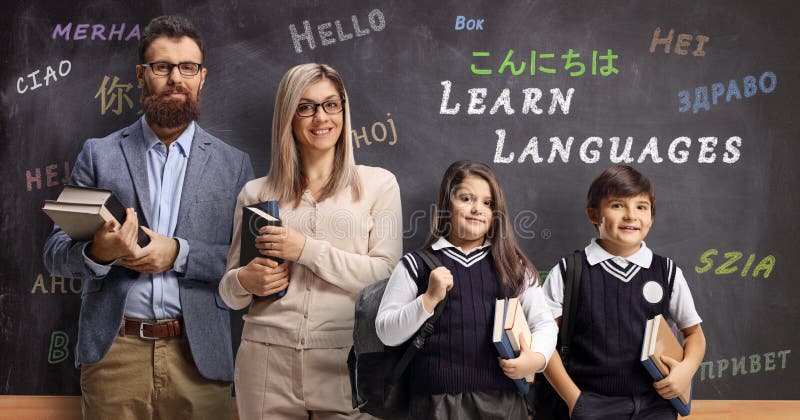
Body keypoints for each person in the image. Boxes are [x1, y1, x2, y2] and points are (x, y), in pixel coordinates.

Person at [42, 15, 254, 420]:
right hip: (114, 357)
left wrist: (178, 253)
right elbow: (54, 252)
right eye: (162, 66)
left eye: (187, 67)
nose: (176, 78)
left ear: (202, 77)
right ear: (141, 75)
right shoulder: (99, 154)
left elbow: (244, 262)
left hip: (200, 358)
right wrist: (99, 253)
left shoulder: (233, 165)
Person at [218, 63, 403, 419]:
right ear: (289, 115)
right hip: (265, 360)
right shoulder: (256, 192)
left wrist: (305, 250)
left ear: (343, 111)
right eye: (306, 106)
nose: (321, 117)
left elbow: (386, 277)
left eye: (331, 104)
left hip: (345, 361)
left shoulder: (379, 185)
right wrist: (245, 280)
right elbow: (229, 293)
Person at [375, 160, 558, 420]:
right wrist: (427, 300)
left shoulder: (512, 265)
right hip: (436, 403)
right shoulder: (416, 265)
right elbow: (386, 332)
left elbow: (544, 323)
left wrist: (536, 359)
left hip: (504, 402)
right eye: (466, 198)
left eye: (488, 203)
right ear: (447, 205)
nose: (477, 209)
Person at [541, 165, 706, 420]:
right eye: (618, 205)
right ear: (593, 214)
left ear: (651, 217)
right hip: (591, 404)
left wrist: (687, 369)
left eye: (641, 207)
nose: (631, 215)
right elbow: (543, 341)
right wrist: (575, 400)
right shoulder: (568, 271)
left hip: (656, 404)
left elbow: (694, 333)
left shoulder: (666, 271)